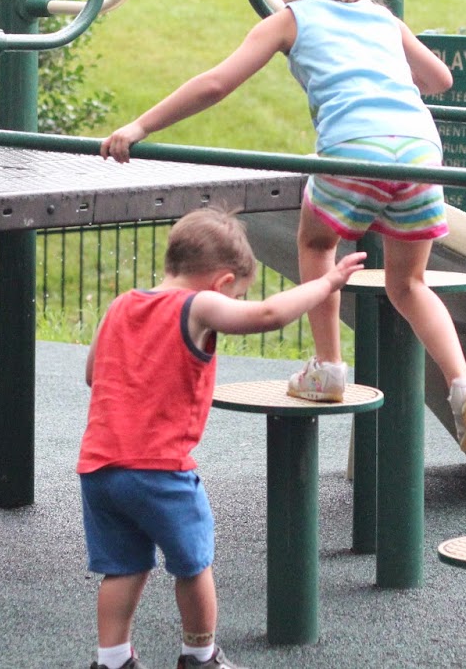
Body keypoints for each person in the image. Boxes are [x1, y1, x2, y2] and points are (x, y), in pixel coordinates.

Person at [100, 0, 466, 456]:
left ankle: (329, 367)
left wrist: (140, 125)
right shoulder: (384, 18)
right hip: (419, 153)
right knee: (408, 285)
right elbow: (439, 80)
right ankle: (465, 383)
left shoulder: (291, 19)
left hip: (351, 151)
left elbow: (217, 84)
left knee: (317, 242)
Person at [79, 206, 367, 669]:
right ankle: (200, 653)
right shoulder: (199, 305)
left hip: (99, 468)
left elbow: (94, 373)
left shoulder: (120, 305)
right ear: (222, 282)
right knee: (192, 563)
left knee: (122, 566)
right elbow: (271, 314)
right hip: (160, 470)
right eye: (236, 293)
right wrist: (327, 283)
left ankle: (111, 659)